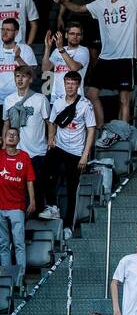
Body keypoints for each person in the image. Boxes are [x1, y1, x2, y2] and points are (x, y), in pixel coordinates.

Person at [38, 72, 95, 235]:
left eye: (73, 83)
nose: (70, 86)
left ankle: (69, 226)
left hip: (76, 151)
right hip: (59, 147)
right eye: (67, 83)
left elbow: (91, 129)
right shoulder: (57, 102)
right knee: (44, 173)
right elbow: (52, 122)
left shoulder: (85, 104)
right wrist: (50, 137)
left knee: (71, 189)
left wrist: (85, 155)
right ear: (63, 84)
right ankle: (52, 206)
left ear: (78, 85)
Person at [0, 125, 35, 275]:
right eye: (9, 134)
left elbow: (30, 180)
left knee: (19, 243)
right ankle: (7, 276)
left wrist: (32, 200)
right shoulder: (0, 155)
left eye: (14, 134)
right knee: (3, 244)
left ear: (19, 139)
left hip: (17, 206)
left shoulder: (24, 157)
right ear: (4, 138)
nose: (12, 136)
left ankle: (20, 277)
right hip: (0, 206)